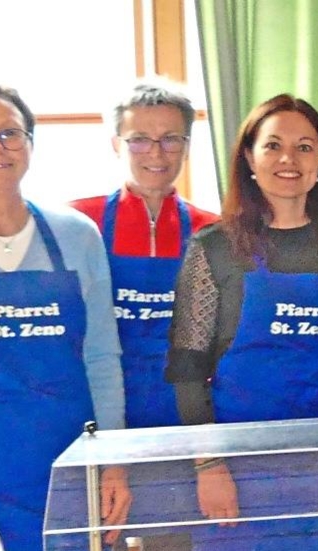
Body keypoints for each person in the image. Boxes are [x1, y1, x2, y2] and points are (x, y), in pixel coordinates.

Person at [165, 94, 318, 551]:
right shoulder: (214, 248)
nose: (287, 159)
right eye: (272, 145)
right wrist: (208, 465)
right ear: (249, 159)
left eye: (303, 146)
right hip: (239, 467)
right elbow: (188, 370)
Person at [0, 85, 130, 551]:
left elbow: (103, 357)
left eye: (8, 134)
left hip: (71, 464)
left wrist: (112, 461)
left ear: (30, 145)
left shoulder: (75, 235)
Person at [71, 80, 217, 429]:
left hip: (184, 410)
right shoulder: (78, 225)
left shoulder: (212, 231)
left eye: (171, 139)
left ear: (187, 147)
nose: (156, 153)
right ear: (115, 144)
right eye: (139, 140)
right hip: (99, 407)